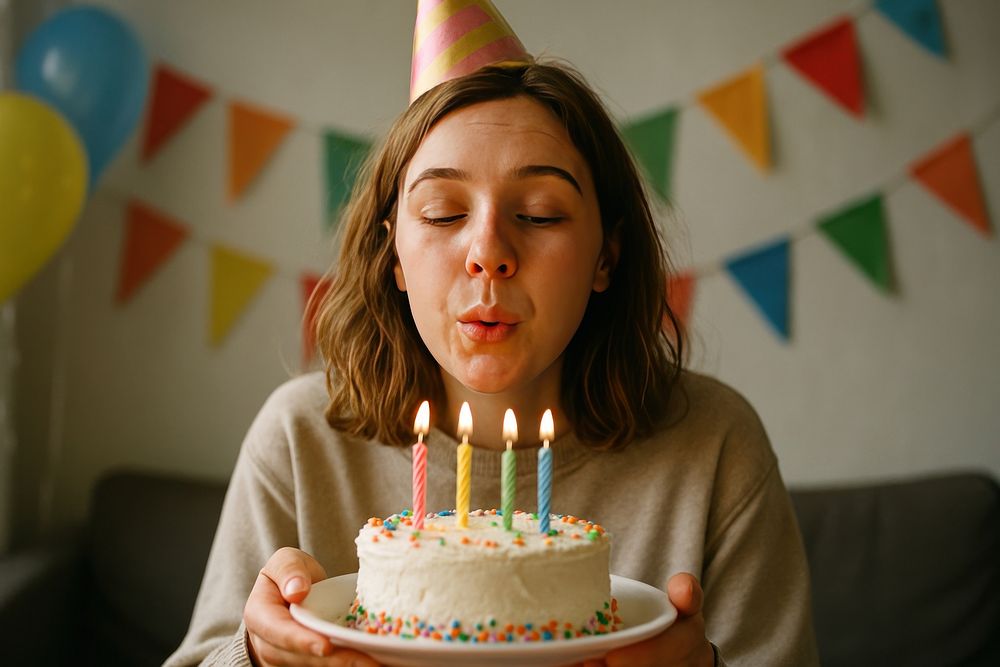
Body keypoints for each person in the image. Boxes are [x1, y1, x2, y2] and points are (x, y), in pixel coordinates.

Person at [165, 4, 819, 666]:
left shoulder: (714, 445)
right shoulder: (301, 440)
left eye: (538, 214)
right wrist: (257, 653)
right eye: (443, 211)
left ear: (606, 257)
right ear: (393, 253)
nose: (489, 252)